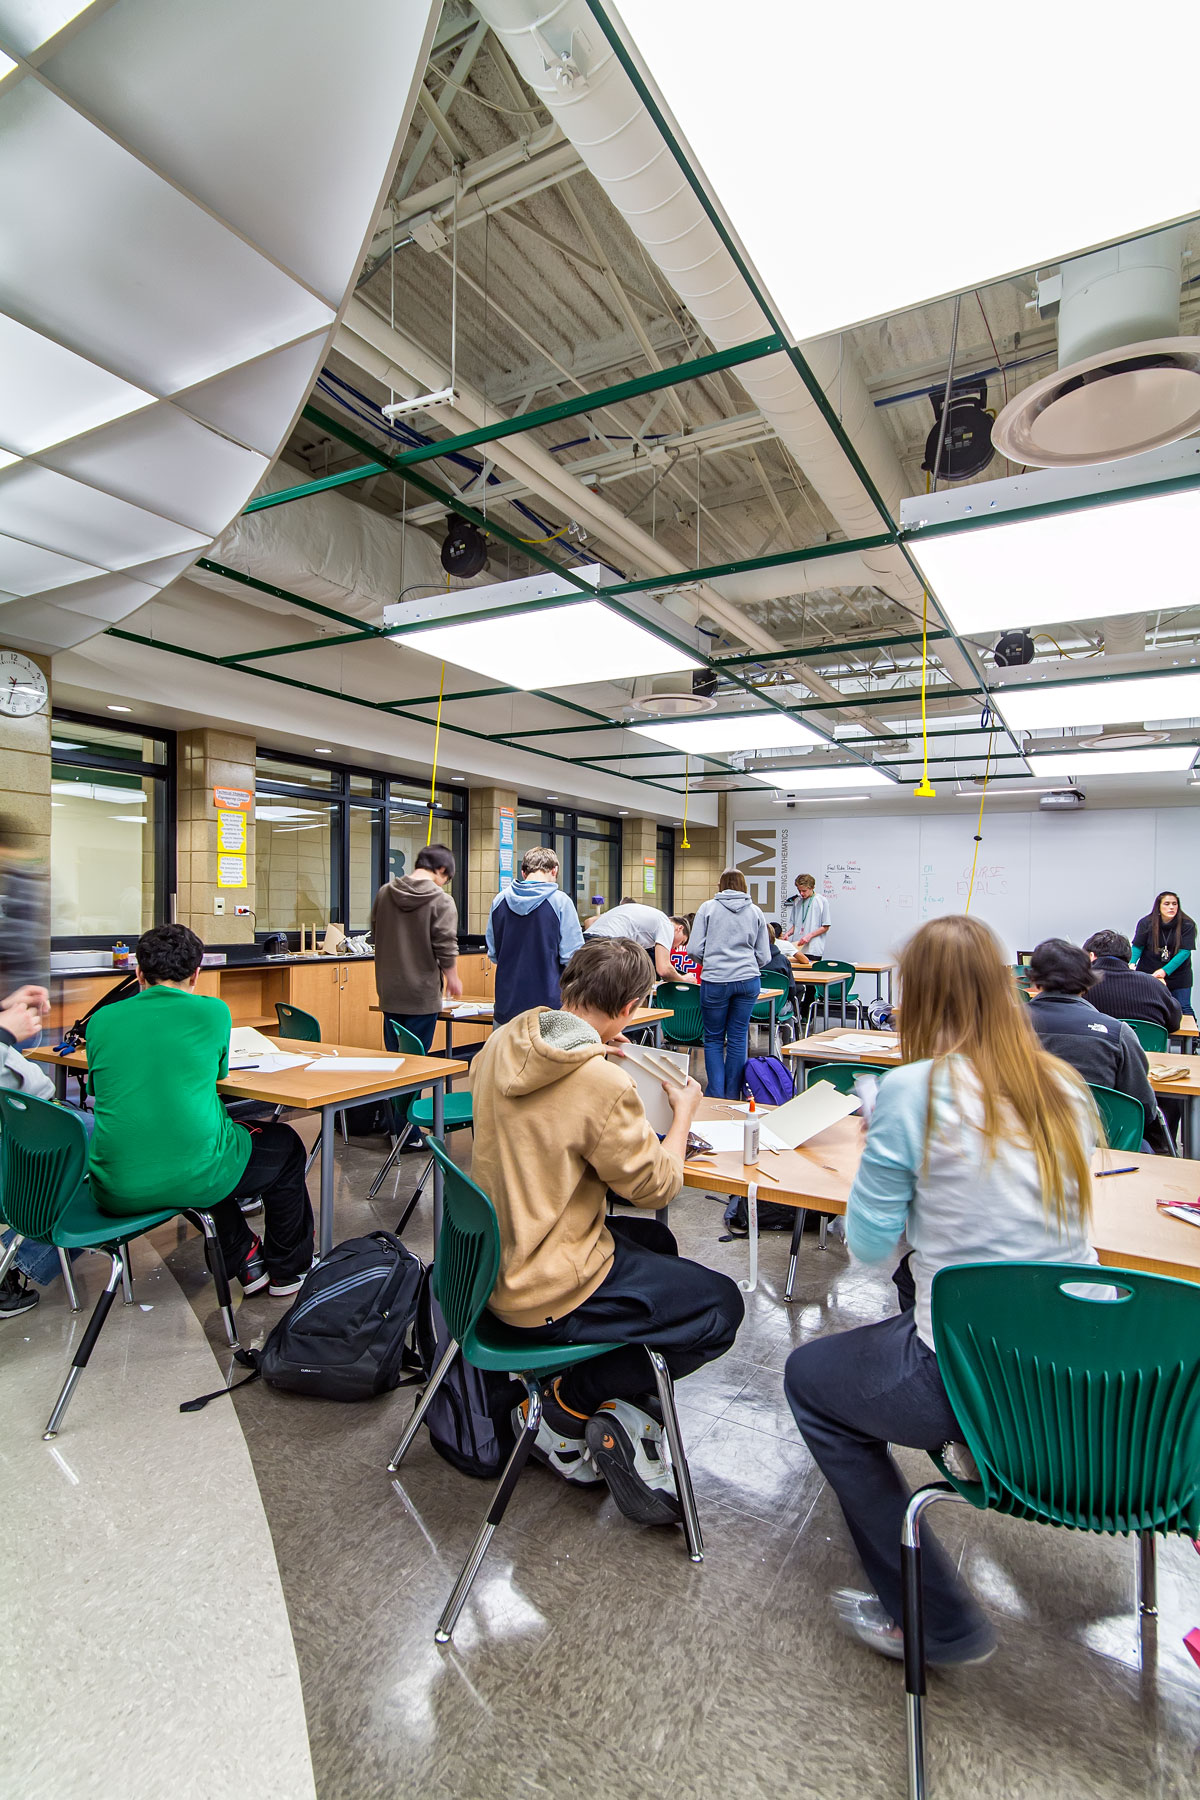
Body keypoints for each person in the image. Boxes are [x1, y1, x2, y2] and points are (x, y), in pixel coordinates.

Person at [785, 915, 1097, 1667]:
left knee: (809, 1379)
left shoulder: (910, 1090)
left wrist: (880, 1159)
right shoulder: (1062, 1085)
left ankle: (931, 1617)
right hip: (1090, 1372)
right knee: (917, 1305)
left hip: (978, 1372)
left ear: (917, 997)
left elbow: (867, 1251)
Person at [469, 937, 744, 1524]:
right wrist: (684, 1114)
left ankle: (608, 1398)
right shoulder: (602, 1085)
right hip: (546, 1287)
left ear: (570, 984)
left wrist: (594, 1048)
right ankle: (565, 1406)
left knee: (658, 1244)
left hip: (489, 1266)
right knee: (721, 1307)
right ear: (630, 1007)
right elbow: (657, 1188)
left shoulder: (504, 1040)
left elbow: (546, 1122)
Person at [86, 924, 315, 1296]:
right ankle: (288, 1271)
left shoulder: (101, 1021)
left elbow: (103, 1091)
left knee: (197, 1145)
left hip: (115, 1185)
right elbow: (219, 1074)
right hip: (195, 1173)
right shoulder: (213, 1012)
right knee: (280, 1145)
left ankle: (245, 1256)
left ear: (138, 973)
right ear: (196, 974)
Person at [1025, 938, 1173, 1155]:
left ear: (1034, 980)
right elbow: (1143, 1106)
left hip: (1017, 1139)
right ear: (1088, 982)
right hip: (1098, 1146)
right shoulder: (1117, 1032)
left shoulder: (1000, 1025)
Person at [371, 843, 462, 1052]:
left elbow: (377, 933)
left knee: (395, 1059)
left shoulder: (384, 893)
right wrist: (453, 978)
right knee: (417, 1060)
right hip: (422, 995)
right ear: (441, 869)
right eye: (446, 879)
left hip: (389, 993)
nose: (443, 884)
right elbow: (445, 945)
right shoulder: (441, 900)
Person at [687, 869, 771, 1098]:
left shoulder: (707, 908)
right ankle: (734, 1095)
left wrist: (711, 962)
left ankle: (716, 1094)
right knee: (738, 1037)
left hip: (715, 980)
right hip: (748, 980)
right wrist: (746, 964)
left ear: (721, 885)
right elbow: (764, 955)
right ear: (744, 885)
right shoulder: (755, 911)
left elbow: (693, 949)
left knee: (713, 1038)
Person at [486, 846, 584, 1026]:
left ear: (523, 872)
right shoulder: (561, 902)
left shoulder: (499, 900)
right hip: (549, 1008)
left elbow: (493, 954)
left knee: (504, 1046)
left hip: (506, 1007)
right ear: (554, 870)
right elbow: (572, 958)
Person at [1083, 928, 1182, 1036]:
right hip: (1145, 1046)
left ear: (1091, 956)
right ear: (1128, 957)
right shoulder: (1154, 985)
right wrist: (1164, 991)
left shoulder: (1080, 986)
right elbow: (1174, 1024)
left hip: (1094, 1046)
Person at [584, 900, 695, 985]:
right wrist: (683, 980)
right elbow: (664, 969)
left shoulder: (644, 915)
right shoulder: (666, 924)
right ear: (679, 928)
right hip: (607, 945)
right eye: (682, 942)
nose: (676, 948)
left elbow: (589, 921)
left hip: (586, 942)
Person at [1132, 891, 1196, 1018]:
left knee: (1183, 1007)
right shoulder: (1146, 923)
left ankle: (1191, 1032)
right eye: (1167, 904)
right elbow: (1138, 946)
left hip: (1178, 975)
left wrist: (1164, 971)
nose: (1171, 907)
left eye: (1174, 904)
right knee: (1145, 1007)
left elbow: (1184, 952)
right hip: (1150, 973)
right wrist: (1132, 963)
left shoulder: (1187, 924)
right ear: (1159, 906)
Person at [782, 873, 830, 954]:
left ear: (812, 888)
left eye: (804, 891)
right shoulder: (797, 901)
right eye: (799, 890)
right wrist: (788, 934)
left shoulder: (821, 901)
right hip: (797, 947)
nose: (801, 893)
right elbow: (796, 925)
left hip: (813, 948)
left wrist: (809, 935)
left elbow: (825, 926)